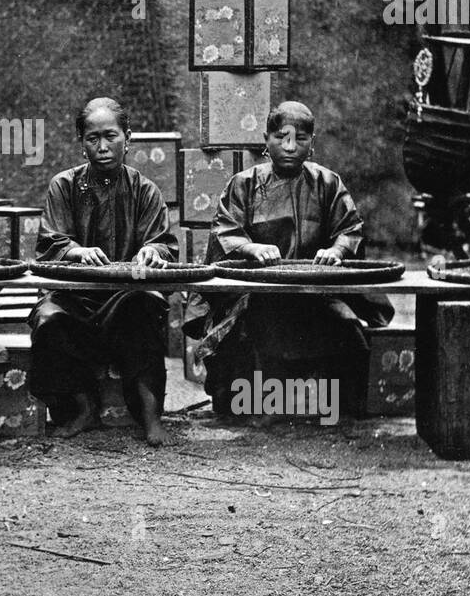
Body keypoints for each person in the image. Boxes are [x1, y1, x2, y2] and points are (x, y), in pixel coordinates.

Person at [187, 101, 390, 418]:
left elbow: (350, 230)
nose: (291, 147)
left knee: (349, 329)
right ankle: (257, 403)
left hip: (316, 293)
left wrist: (336, 251)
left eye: (301, 139)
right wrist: (250, 248)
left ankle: (330, 406)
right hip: (257, 295)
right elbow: (225, 230)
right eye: (281, 137)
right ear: (266, 140)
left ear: (312, 143)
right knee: (248, 336)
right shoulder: (244, 184)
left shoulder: (328, 183)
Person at [29, 97, 177, 446]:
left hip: (125, 296)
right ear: (81, 143)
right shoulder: (63, 186)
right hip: (74, 296)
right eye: (92, 138)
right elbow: (51, 241)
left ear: (128, 137)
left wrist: (152, 252)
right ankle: (83, 408)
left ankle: (151, 416)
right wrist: (75, 251)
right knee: (48, 319)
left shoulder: (145, 190)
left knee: (145, 306)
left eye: (111, 136)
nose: (103, 146)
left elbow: (163, 243)